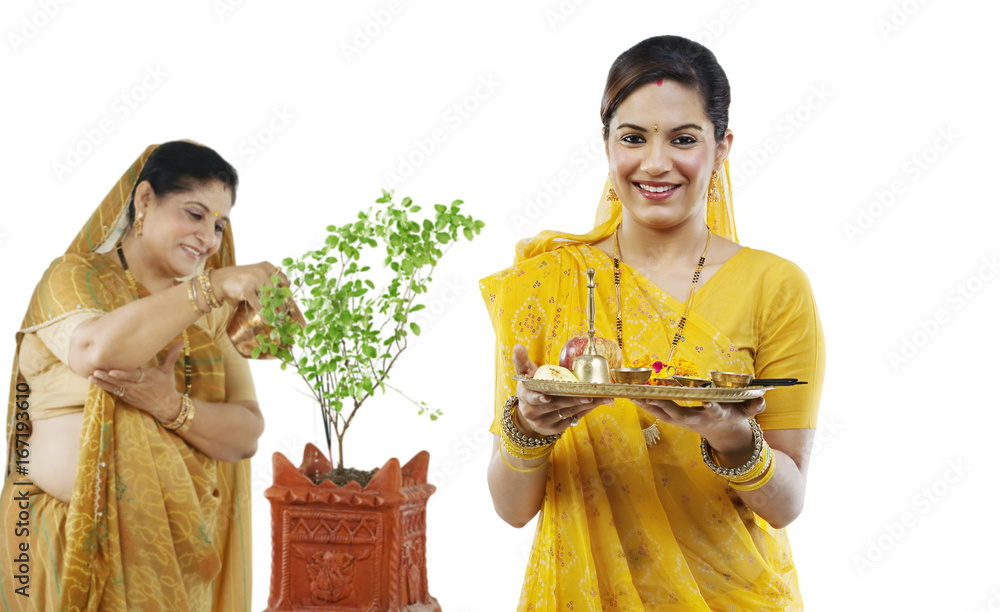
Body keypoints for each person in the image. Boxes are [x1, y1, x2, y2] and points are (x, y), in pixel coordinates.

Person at [481, 36, 825, 610]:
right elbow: (512, 509)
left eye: (684, 139)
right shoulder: (546, 284)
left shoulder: (776, 287)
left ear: (721, 148)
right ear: (607, 144)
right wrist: (530, 429)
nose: (656, 163)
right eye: (634, 138)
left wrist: (730, 434)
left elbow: (786, 504)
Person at [1, 141, 285, 610]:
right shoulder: (74, 278)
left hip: (177, 565)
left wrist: (171, 406)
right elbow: (97, 350)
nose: (209, 239)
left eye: (219, 225)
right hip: (60, 546)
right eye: (194, 214)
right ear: (145, 200)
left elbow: (246, 434)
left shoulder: (212, 317)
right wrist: (209, 285)